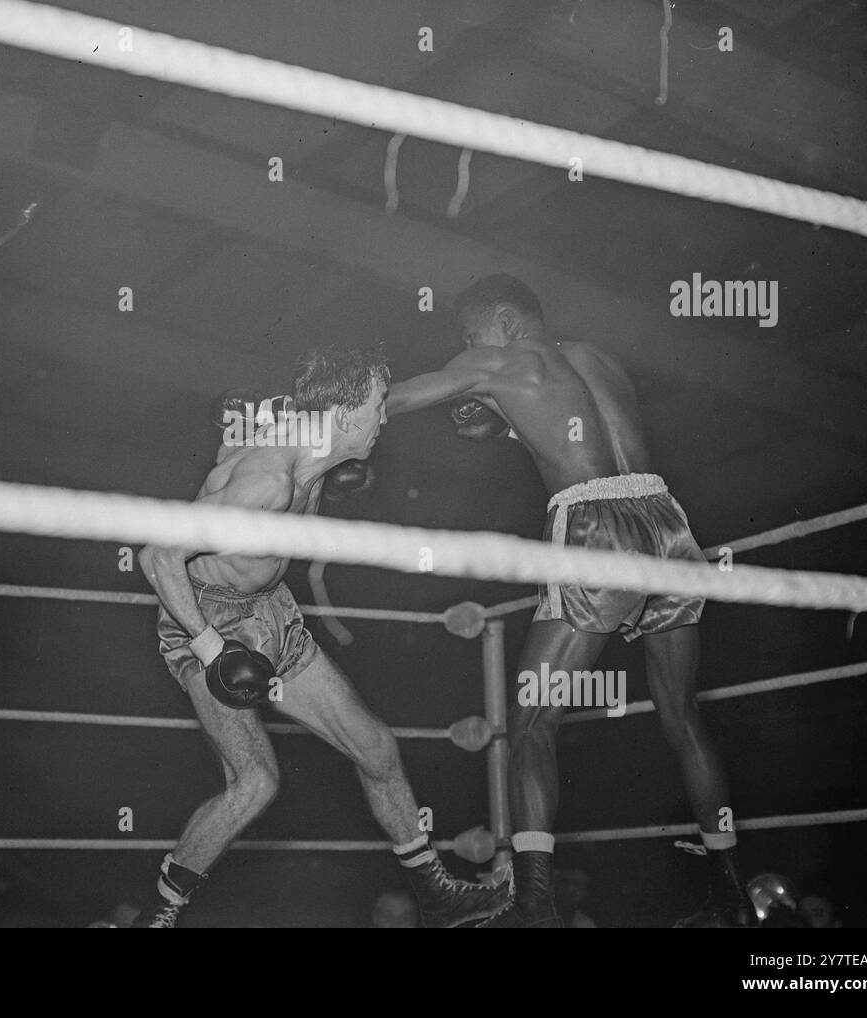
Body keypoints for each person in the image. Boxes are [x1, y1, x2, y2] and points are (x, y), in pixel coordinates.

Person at [386, 274, 752, 928]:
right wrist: (497, 424)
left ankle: (534, 905)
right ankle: (731, 895)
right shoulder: (597, 359)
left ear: (501, 320)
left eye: (471, 334)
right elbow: (570, 423)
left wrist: (311, 409)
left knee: (531, 724)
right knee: (683, 715)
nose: (467, 346)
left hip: (596, 529)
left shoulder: (494, 359)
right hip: (667, 522)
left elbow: (395, 400)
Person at [133, 344, 510, 928]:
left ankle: (437, 897)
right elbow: (159, 557)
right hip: (203, 619)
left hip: (271, 612)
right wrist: (211, 647)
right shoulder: (269, 481)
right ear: (343, 415)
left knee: (377, 746)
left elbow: (254, 425)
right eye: (379, 405)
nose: (385, 418)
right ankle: (159, 914)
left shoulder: (308, 452)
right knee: (255, 782)